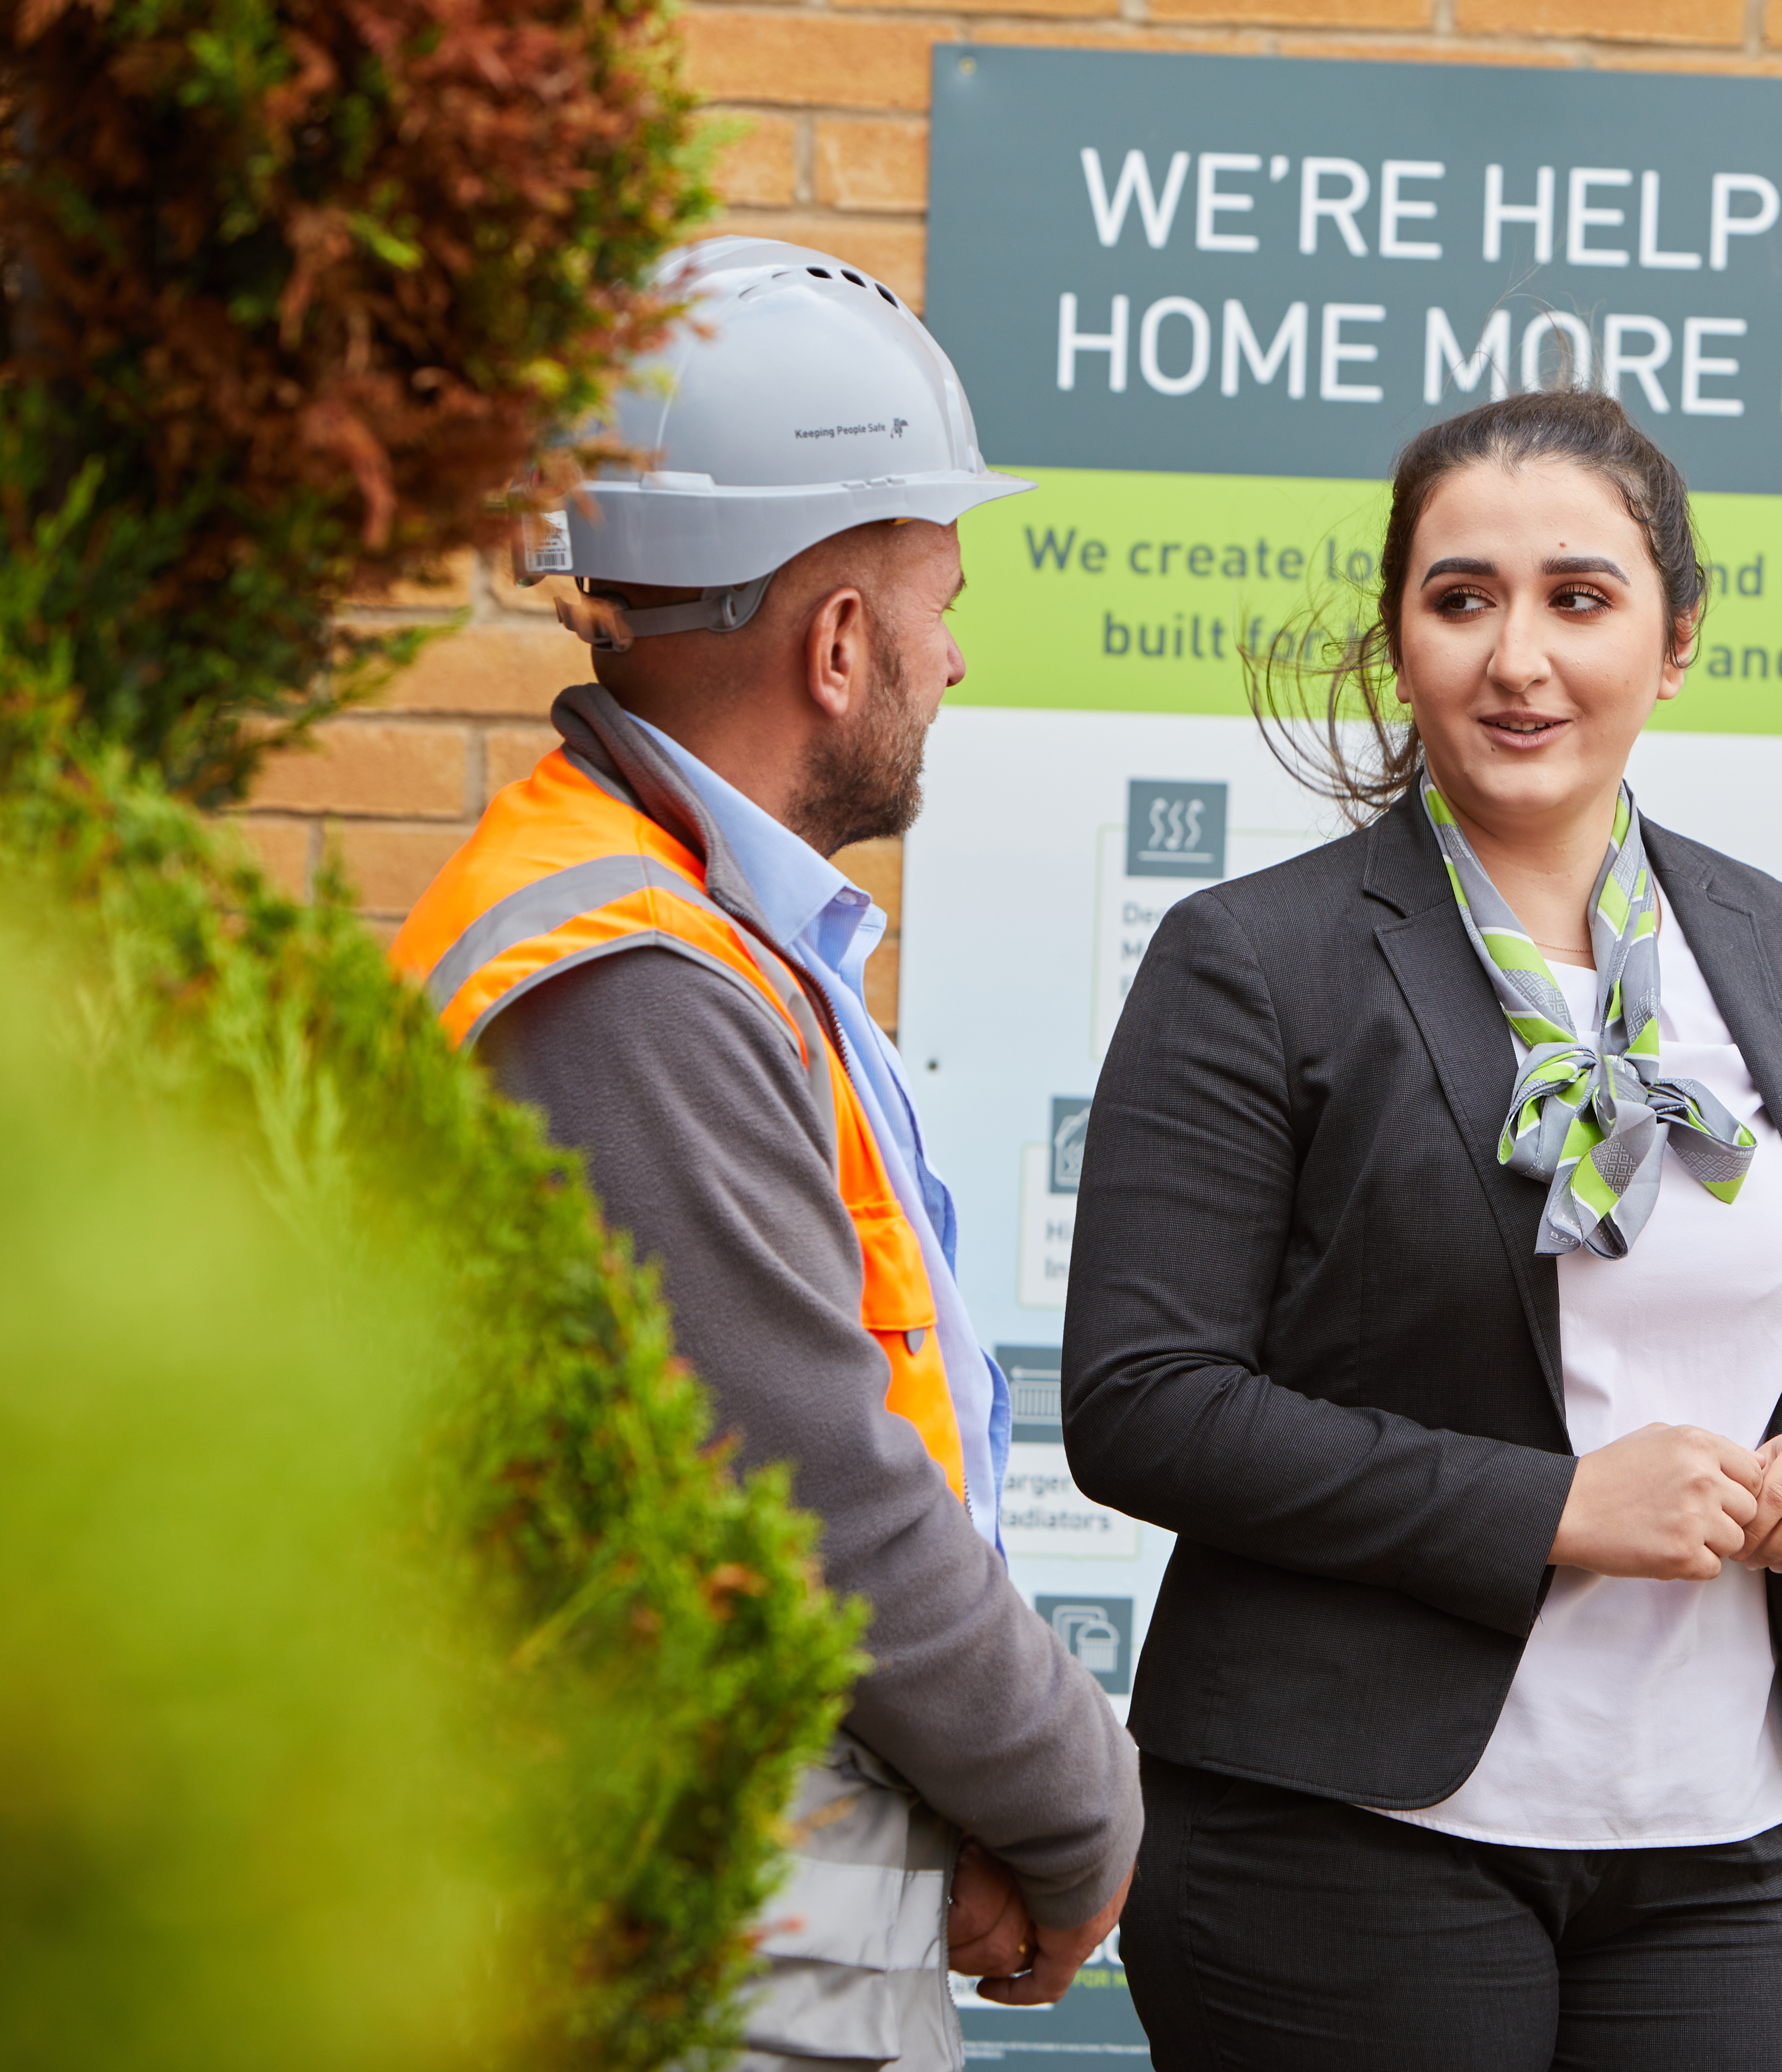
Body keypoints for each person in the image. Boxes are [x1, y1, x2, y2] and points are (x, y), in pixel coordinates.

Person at [1059, 389, 1782, 2070]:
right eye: (1463, 599)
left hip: (1716, 1829)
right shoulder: (1257, 961)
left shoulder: (1762, 934)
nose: (1517, 655)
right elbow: (1144, 1398)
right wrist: (1554, 1509)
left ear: (1675, 641)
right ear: (1402, 639)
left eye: (1579, 598)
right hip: (1348, 1834)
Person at [391, 238, 1137, 2071]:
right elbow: (824, 1493)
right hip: (704, 1940)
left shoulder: (683, 928)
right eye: (940, 600)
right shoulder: (630, 983)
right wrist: (1077, 1802)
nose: (955, 655)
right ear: (833, 643)